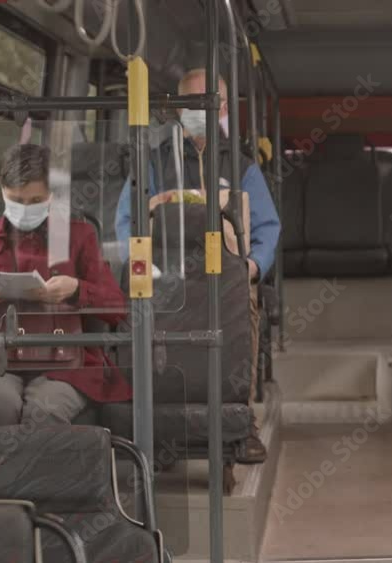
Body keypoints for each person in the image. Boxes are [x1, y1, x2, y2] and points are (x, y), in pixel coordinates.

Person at [114, 68, 279, 464]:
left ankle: (241, 423)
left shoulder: (241, 166)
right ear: (176, 109)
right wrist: (143, 265)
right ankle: (158, 423)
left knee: (246, 306)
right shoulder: (153, 163)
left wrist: (251, 268)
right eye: (189, 103)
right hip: (166, 276)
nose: (197, 112)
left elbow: (267, 228)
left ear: (222, 108)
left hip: (226, 279)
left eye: (206, 104)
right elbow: (126, 221)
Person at [0, 144, 130, 440]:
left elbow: (117, 308)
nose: (25, 209)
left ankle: (38, 473)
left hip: (67, 364)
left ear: (51, 194)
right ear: (1, 189)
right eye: (16, 200)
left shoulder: (79, 237)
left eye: (35, 200)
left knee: (44, 410)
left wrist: (77, 290)